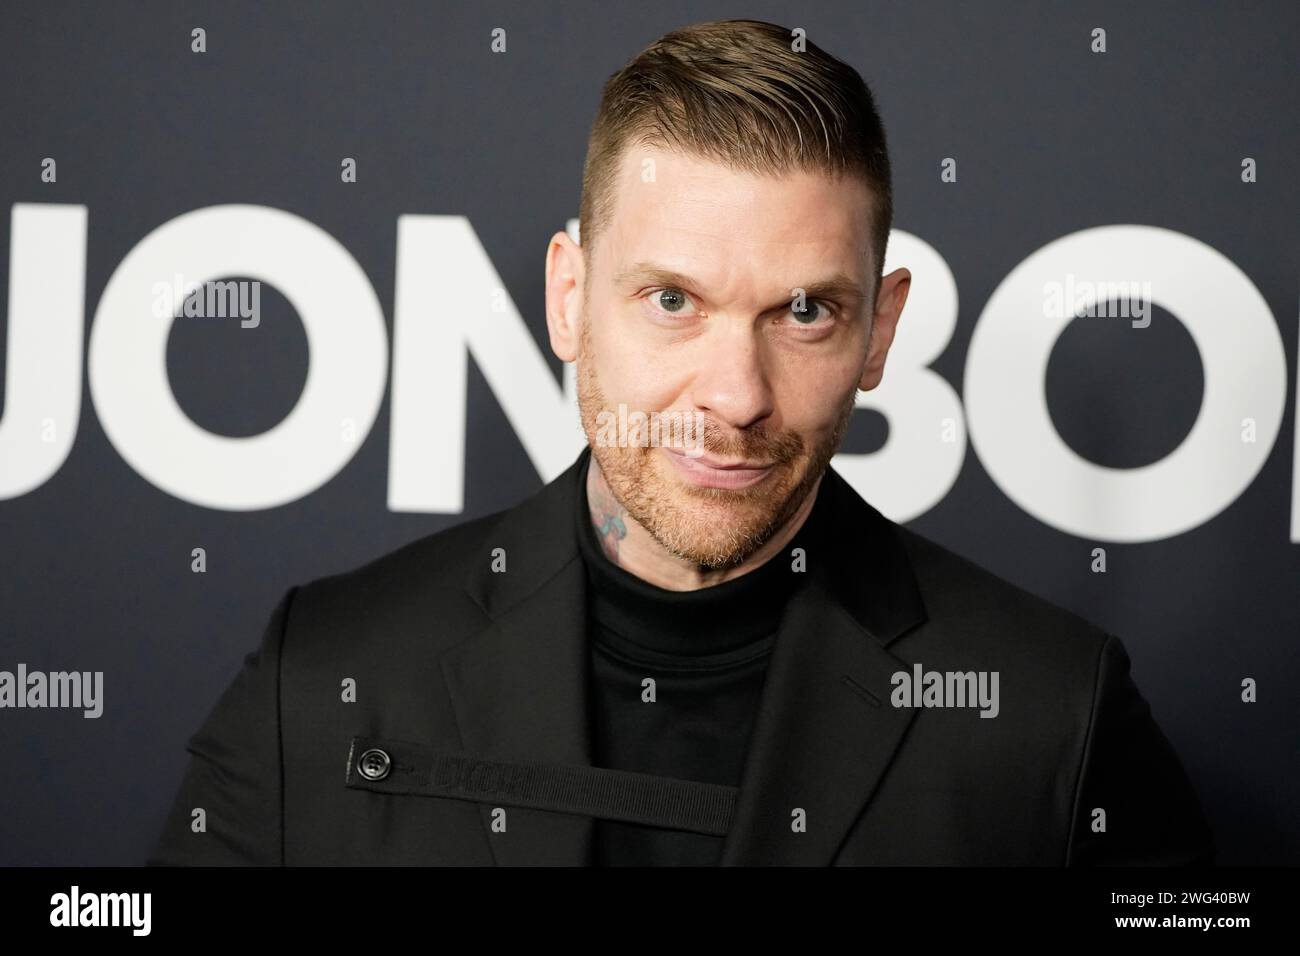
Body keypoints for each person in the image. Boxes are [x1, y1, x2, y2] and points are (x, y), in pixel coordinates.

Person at [148, 18, 1213, 866]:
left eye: (804, 312)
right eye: (671, 299)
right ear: (569, 298)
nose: (736, 394)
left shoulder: (1051, 713)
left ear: (878, 331)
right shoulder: (327, 670)